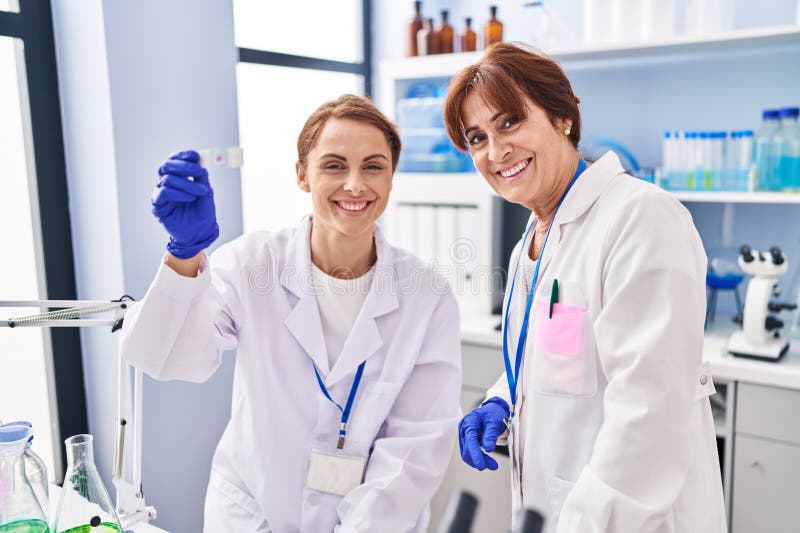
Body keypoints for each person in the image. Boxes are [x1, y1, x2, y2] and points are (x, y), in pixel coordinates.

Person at [120, 94, 461, 532]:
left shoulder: (426, 296)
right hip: (253, 514)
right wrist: (185, 256)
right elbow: (164, 357)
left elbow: (414, 448)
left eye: (373, 166)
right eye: (334, 165)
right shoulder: (253, 263)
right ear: (302, 175)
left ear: (392, 177)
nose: (355, 184)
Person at [443, 43, 727, 532]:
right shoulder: (533, 241)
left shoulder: (640, 217)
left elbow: (648, 414)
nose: (496, 151)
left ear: (562, 118)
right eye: (477, 138)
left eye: (509, 121)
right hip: (555, 511)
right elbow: (555, 361)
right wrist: (502, 399)